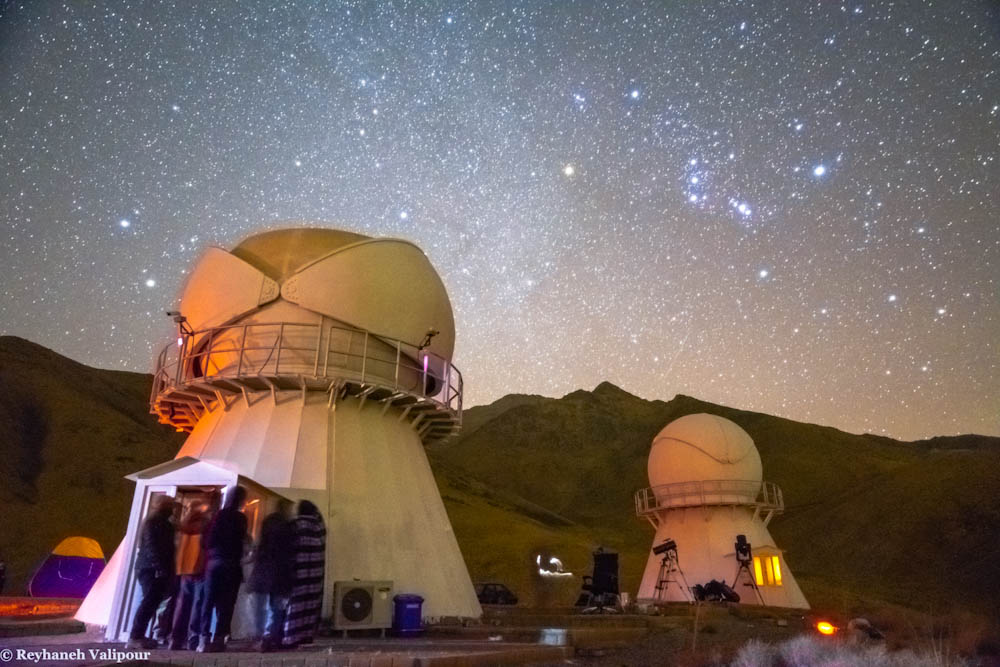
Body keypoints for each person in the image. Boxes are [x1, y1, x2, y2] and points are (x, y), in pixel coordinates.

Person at [197, 486, 247, 653]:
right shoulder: (240, 518)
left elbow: (206, 540)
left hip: (214, 562)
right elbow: (240, 540)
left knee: (208, 600)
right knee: (226, 604)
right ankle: (219, 638)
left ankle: (203, 639)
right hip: (231, 563)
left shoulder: (217, 516)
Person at [127, 495, 177, 650]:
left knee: (151, 602)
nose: (173, 509)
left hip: (152, 567)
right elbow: (152, 546)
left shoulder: (159, 523)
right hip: (151, 568)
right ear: (163, 506)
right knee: (149, 601)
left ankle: (139, 634)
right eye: (170, 505)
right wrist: (159, 567)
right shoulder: (154, 523)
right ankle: (136, 636)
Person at [247, 499, 295, 651]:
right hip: (280, 572)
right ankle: (270, 638)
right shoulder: (288, 526)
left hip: (264, 570)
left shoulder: (269, 523)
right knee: (276, 607)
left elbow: (261, 545)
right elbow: (290, 550)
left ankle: (259, 638)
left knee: (261, 607)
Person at [167, 496, 214, 650]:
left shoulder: (182, 525)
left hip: (184, 569)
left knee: (182, 604)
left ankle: (175, 639)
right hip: (199, 568)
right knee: (197, 604)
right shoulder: (203, 524)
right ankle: (192, 639)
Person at [282, 500, 326, 649]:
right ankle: (306, 635)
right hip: (315, 573)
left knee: (296, 605)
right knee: (311, 604)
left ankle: (291, 637)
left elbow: (289, 547)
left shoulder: (295, 525)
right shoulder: (318, 526)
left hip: (299, 572)